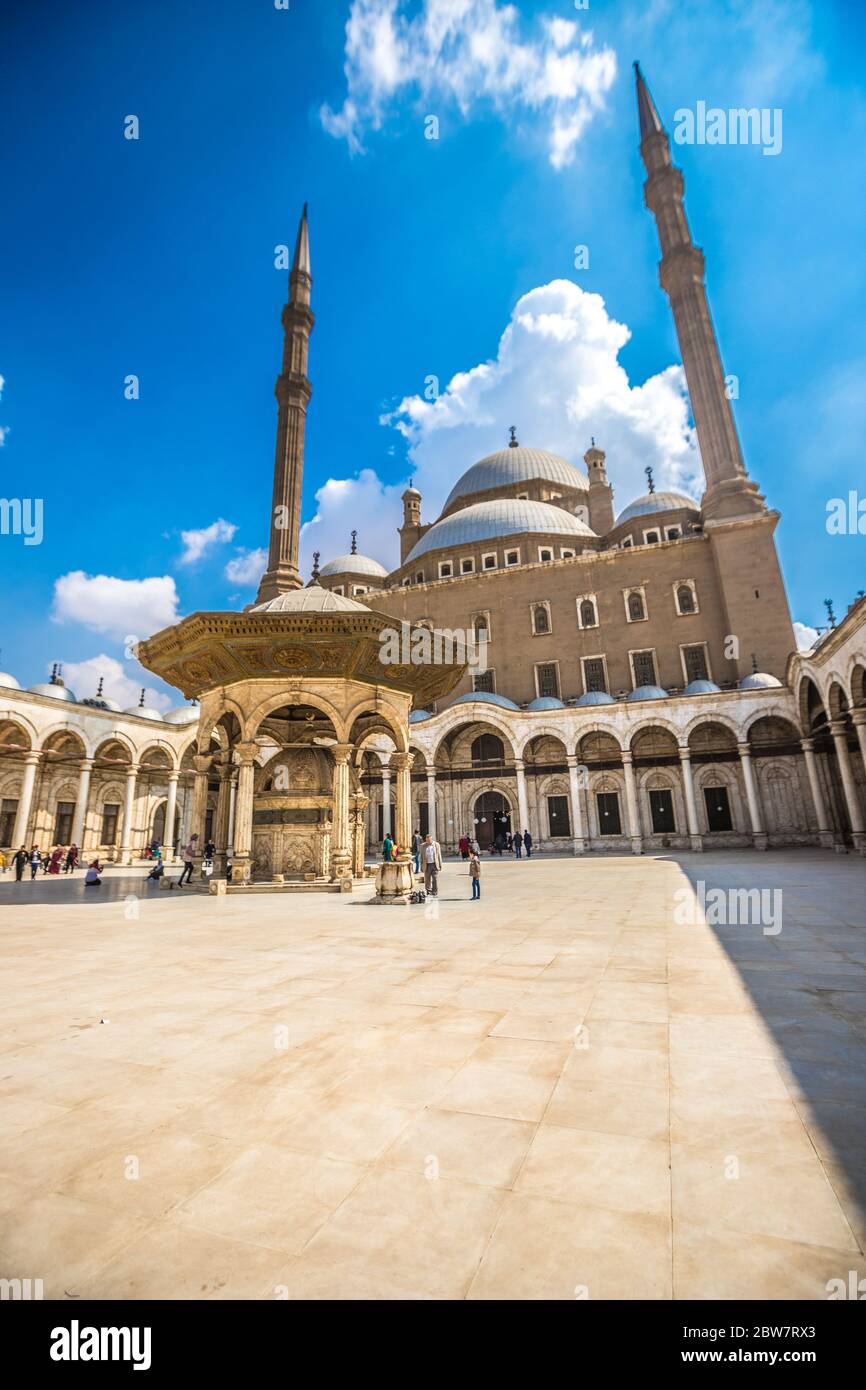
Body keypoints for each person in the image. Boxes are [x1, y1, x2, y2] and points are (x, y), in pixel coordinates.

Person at [422, 832, 442, 896]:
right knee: (427, 879)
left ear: (431, 839)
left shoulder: (436, 845)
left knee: (435, 878)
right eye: (427, 840)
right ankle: (428, 890)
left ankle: (435, 891)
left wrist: (440, 865)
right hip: (427, 865)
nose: (428, 841)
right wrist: (421, 866)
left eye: (429, 840)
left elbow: (439, 855)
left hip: (434, 864)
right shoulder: (422, 846)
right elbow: (421, 857)